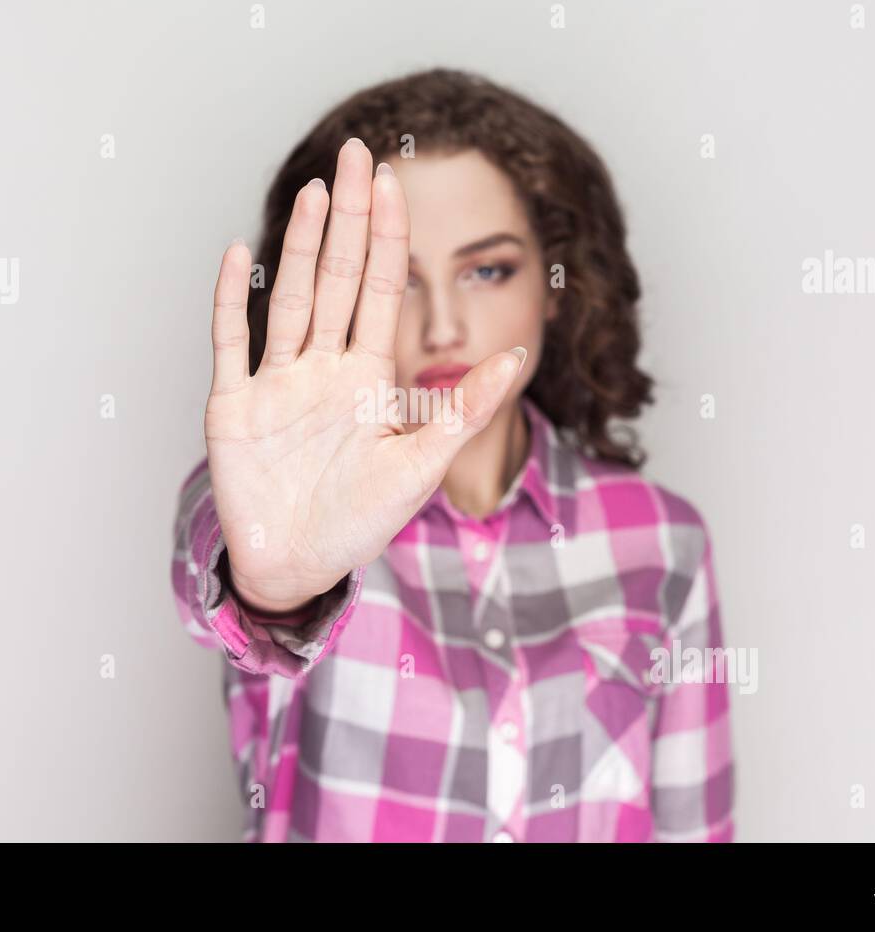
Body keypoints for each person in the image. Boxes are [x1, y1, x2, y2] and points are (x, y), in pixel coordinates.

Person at [171, 68, 734, 842]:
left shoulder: (662, 540)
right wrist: (275, 587)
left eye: (487, 269)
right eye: (394, 277)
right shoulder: (286, 499)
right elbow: (224, 571)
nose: (442, 326)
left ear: (558, 284)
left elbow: (694, 825)